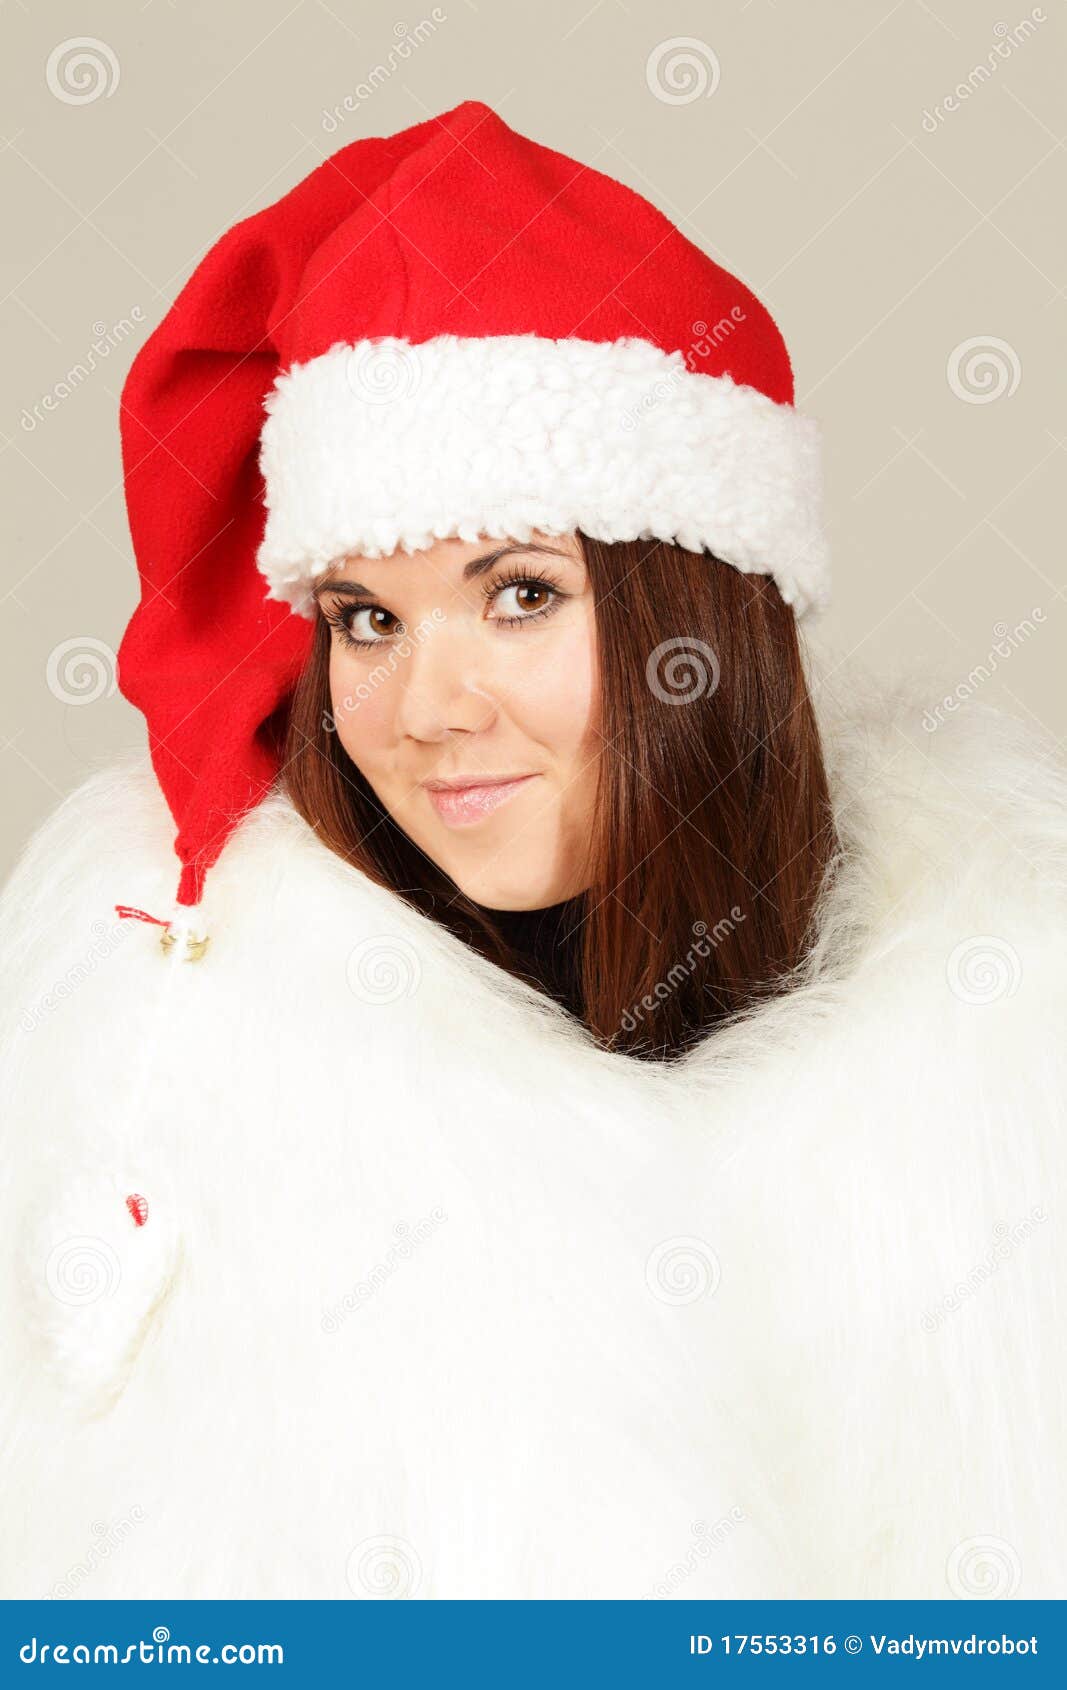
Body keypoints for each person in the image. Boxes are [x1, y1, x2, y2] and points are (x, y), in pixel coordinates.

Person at [0, 98, 1063, 1601]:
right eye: (365, 616)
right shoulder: (179, 1095)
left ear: (698, 616)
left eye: (518, 594)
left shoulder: (1011, 1075)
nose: (428, 708)